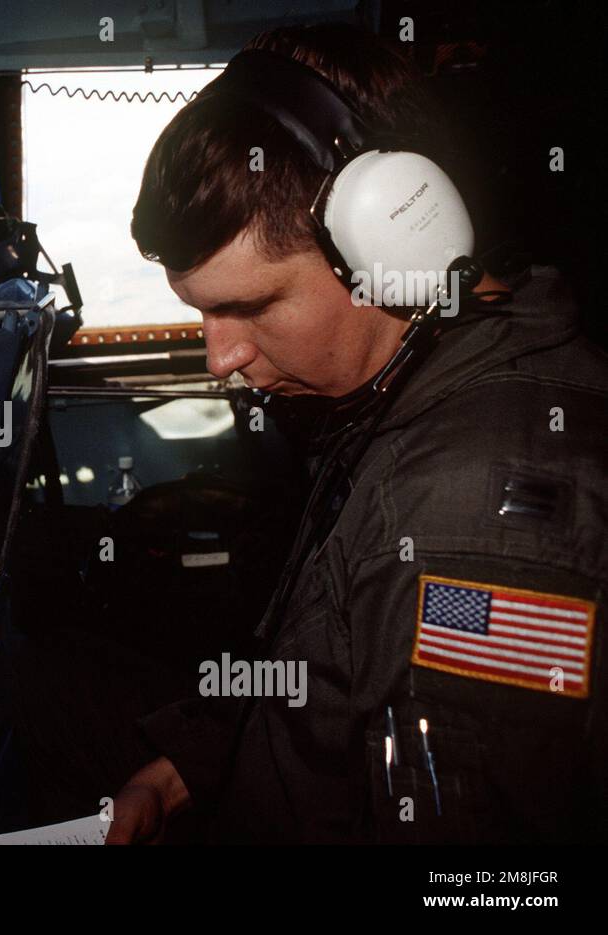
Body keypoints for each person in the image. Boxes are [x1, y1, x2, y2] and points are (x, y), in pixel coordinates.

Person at [89, 22, 607, 843]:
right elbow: (334, 651)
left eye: (248, 306)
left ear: (398, 249)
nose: (221, 357)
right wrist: (187, 764)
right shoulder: (402, 397)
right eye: (203, 312)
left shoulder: (469, 518)